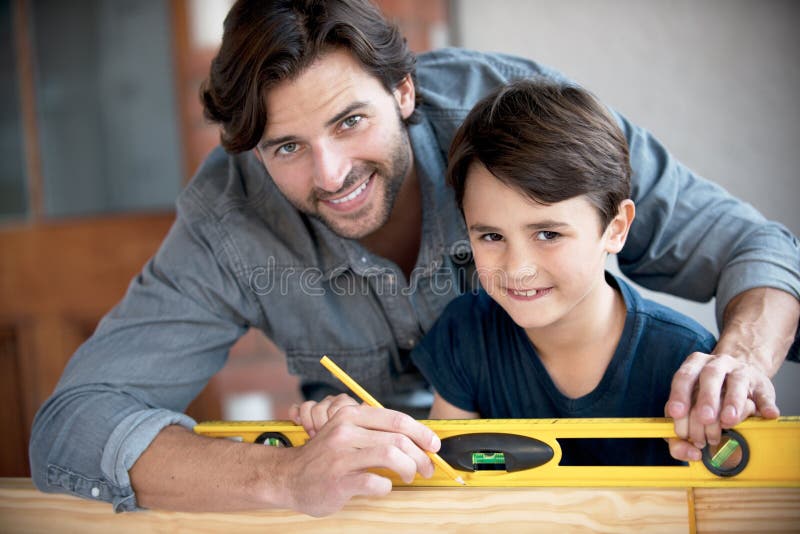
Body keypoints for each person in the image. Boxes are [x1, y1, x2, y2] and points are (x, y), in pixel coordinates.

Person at [29, 0, 799, 517]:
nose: (331, 174)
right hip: (380, 508)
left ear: (404, 90)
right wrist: (284, 477)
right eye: (287, 147)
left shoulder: (511, 115)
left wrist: (738, 361)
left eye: (350, 121)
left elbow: (755, 247)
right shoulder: (226, 219)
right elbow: (72, 426)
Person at [413, 78, 718, 465]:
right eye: (491, 236)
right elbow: (454, 475)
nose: (517, 269)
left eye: (548, 234)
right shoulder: (465, 334)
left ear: (616, 228)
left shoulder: (686, 360)